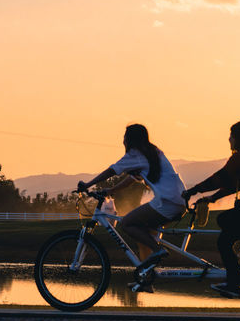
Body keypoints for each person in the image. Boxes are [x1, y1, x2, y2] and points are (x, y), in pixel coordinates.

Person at [78, 124, 186, 290]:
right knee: (143, 237)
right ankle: (146, 279)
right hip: (177, 201)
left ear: (130, 139)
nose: (123, 140)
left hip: (167, 202)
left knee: (127, 223)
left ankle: (158, 250)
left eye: (124, 137)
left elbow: (112, 170)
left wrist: (88, 184)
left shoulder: (136, 153)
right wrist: (111, 190)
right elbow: (132, 178)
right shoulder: (152, 152)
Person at [182, 121, 240, 299]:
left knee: (224, 238)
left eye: (231, 136)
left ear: (239, 138)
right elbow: (233, 185)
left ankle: (233, 284)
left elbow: (219, 179)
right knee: (227, 222)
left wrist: (192, 191)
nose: (229, 139)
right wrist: (212, 198)